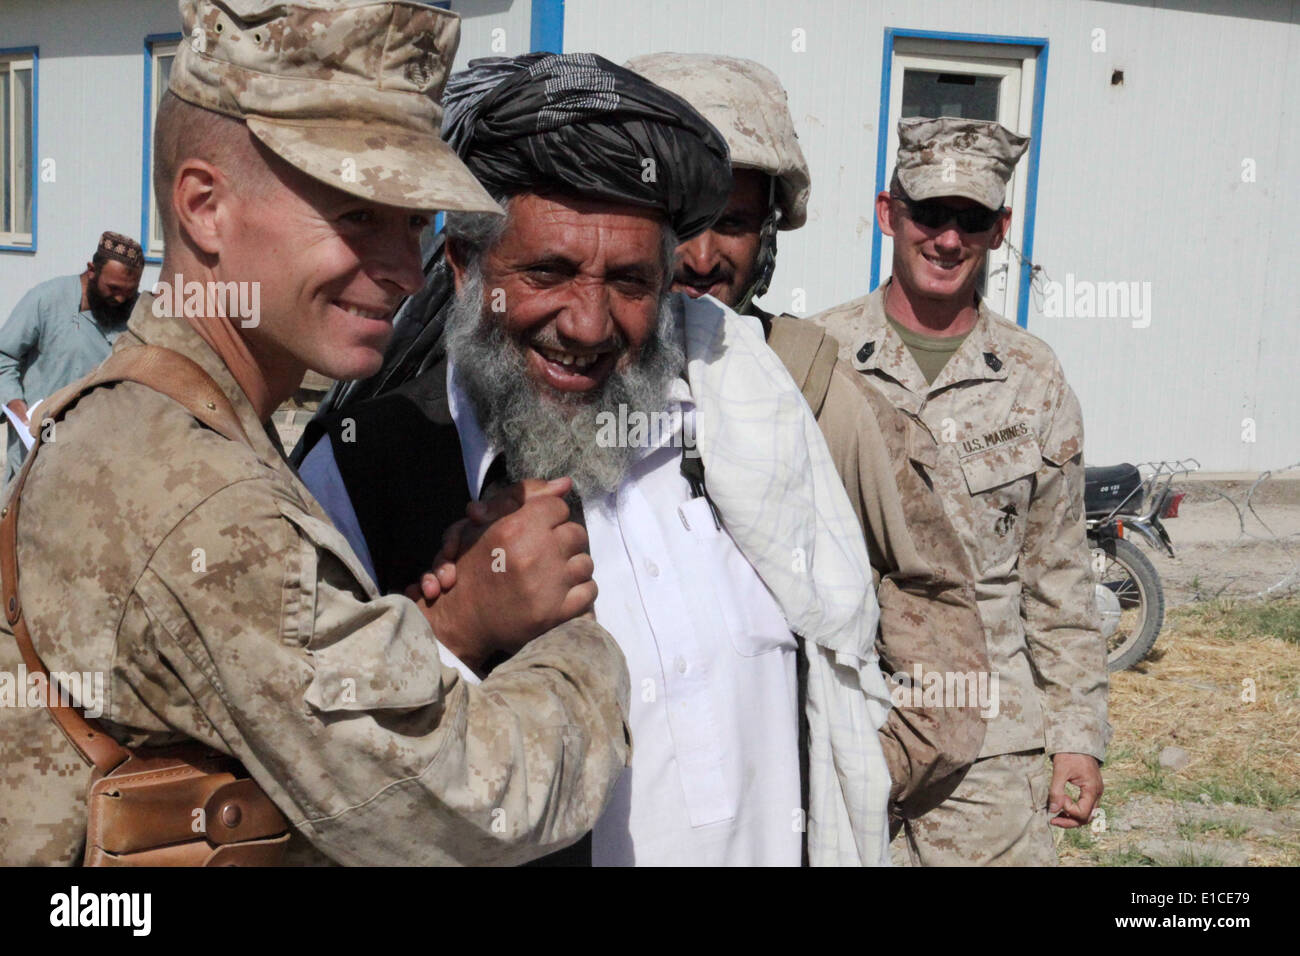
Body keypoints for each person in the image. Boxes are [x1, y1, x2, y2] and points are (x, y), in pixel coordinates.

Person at [0, 0, 631, 867]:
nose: (407, 273)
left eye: (414, 224)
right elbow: (482, 801)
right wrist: (575, 641)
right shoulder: (206, 501)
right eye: (356, 214)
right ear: (204, 207)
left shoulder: (141, 408)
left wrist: (443, 629)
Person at [298, 52, 894, 867]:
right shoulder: (364, 478)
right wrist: (454, 634)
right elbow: (317, 783)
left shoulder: (743, 431)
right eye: (547, 271)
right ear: (466, 269)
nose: (587, 324)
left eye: (629, 281)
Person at [627, 53, 990, 834]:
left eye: (731, 222)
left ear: (768, 234)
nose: (700, 256)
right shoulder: (556, 379)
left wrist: (853, 772)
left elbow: (935, 594)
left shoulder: (814, 387)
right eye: (682, 219)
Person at [810, 116, 1110, 865]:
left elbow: (1059, 576)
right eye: (930, 214)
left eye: (971, 220)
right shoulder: (817, 358)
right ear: (889, 213)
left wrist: (1078, 737)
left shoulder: (1032, 377)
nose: (948, 240)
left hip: (988, 740)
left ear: (999, 229)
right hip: (843, 721)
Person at [0, 231, 144, 480]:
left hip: (99, 450)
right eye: (113, 288)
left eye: (129, 292)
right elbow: (4, 356)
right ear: (92, 270)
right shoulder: (47, 300)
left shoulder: (138, 315)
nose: (121, 298)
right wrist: (15, 403)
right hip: (42, 439)